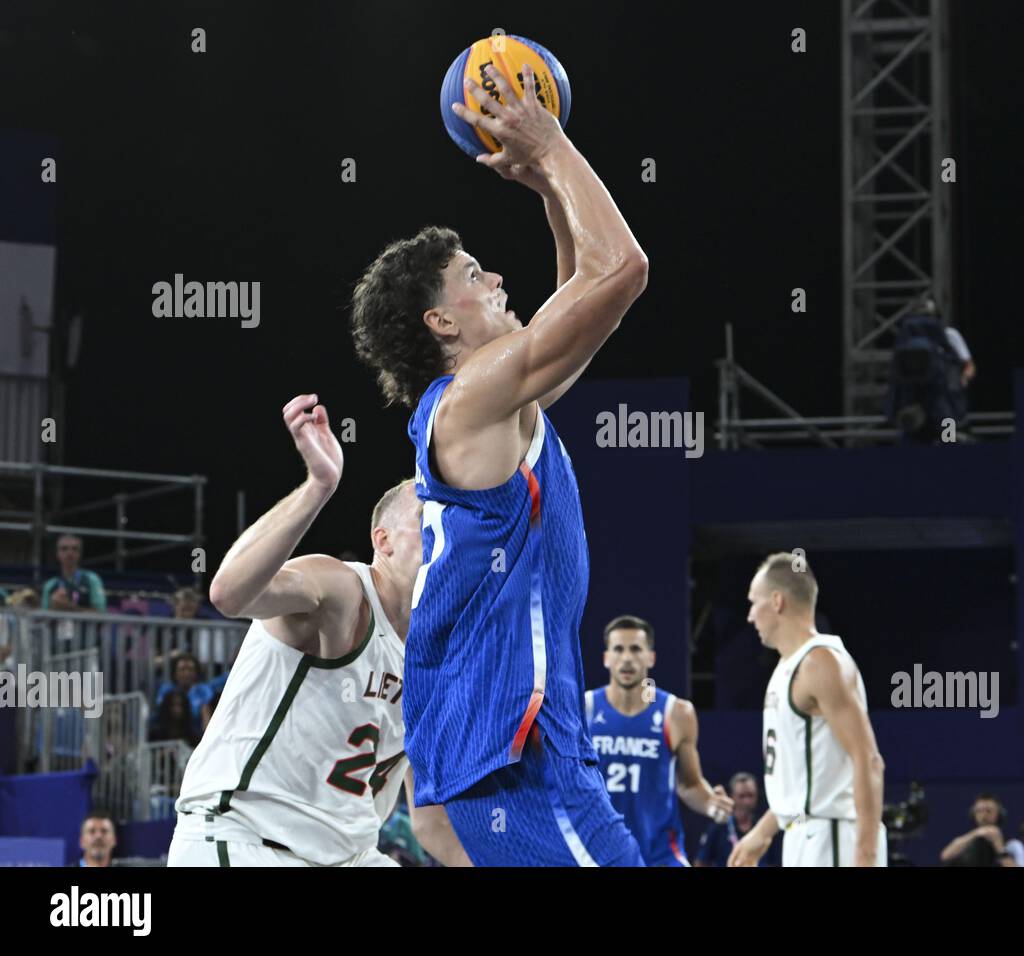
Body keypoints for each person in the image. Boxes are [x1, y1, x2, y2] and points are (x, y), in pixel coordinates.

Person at [350, 63, 648, 866]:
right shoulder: (473, 397)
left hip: (504, 746)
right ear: (442, 317)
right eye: (477, 276)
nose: (498, 279)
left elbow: (584, 285)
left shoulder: (497, 404)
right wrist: (553, 146)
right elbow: (623, 271)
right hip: (518, 746)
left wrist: (549, 189)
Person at [167, 394, 468, 867]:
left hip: (347, 856)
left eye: (448, 518)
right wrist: (318, 486)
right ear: (382, 541)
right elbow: (230, 594)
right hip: (247, 838)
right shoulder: (342, 589)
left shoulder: (440, 658)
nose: (440, 527)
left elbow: (430, 820)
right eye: (424, 515)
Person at [728, 553, 887, 867]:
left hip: (835, 835)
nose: (749, 616)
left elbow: (868, 760)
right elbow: (802, 785)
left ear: (776, 601)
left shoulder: (821, 662)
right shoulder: (786, 668)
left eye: (753, 602)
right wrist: (762, 832)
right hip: (802, 834)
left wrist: (866, 855)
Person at [585, 615, 734, 866]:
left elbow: (689, 785)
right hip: (597, 853)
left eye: (636, 649)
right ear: (606, 658)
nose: (627, 658)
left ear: (651, 657)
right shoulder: (584, 709)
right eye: (618, 649)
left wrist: (710, 804)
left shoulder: (676, 713)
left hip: (659, 854)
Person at [695, 772, 780, 867]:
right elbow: (701, 862)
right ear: (732, 796)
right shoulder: (718, 828)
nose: (746, 801)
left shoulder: (766, 827)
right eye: (742, 796)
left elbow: (774, 862)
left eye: (750, 795)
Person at [940, 793, 1011, 866]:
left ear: (999, 814)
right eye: (979, 811)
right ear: (973, 814)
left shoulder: (1011, 843)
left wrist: (1000, 848)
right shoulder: (970, 839)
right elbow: (945, 856)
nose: (984, 816)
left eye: (989, 811)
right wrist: (976, 833)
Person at [41, 534, 107, 612]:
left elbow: (101, 613)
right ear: (57, 554)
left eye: (75, 549)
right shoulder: (50, 585)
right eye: (64, 549)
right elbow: (43, 618)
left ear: (79, 554)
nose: (69, 553)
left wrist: (68, 606)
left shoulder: (92, 579)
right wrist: (53, 607)